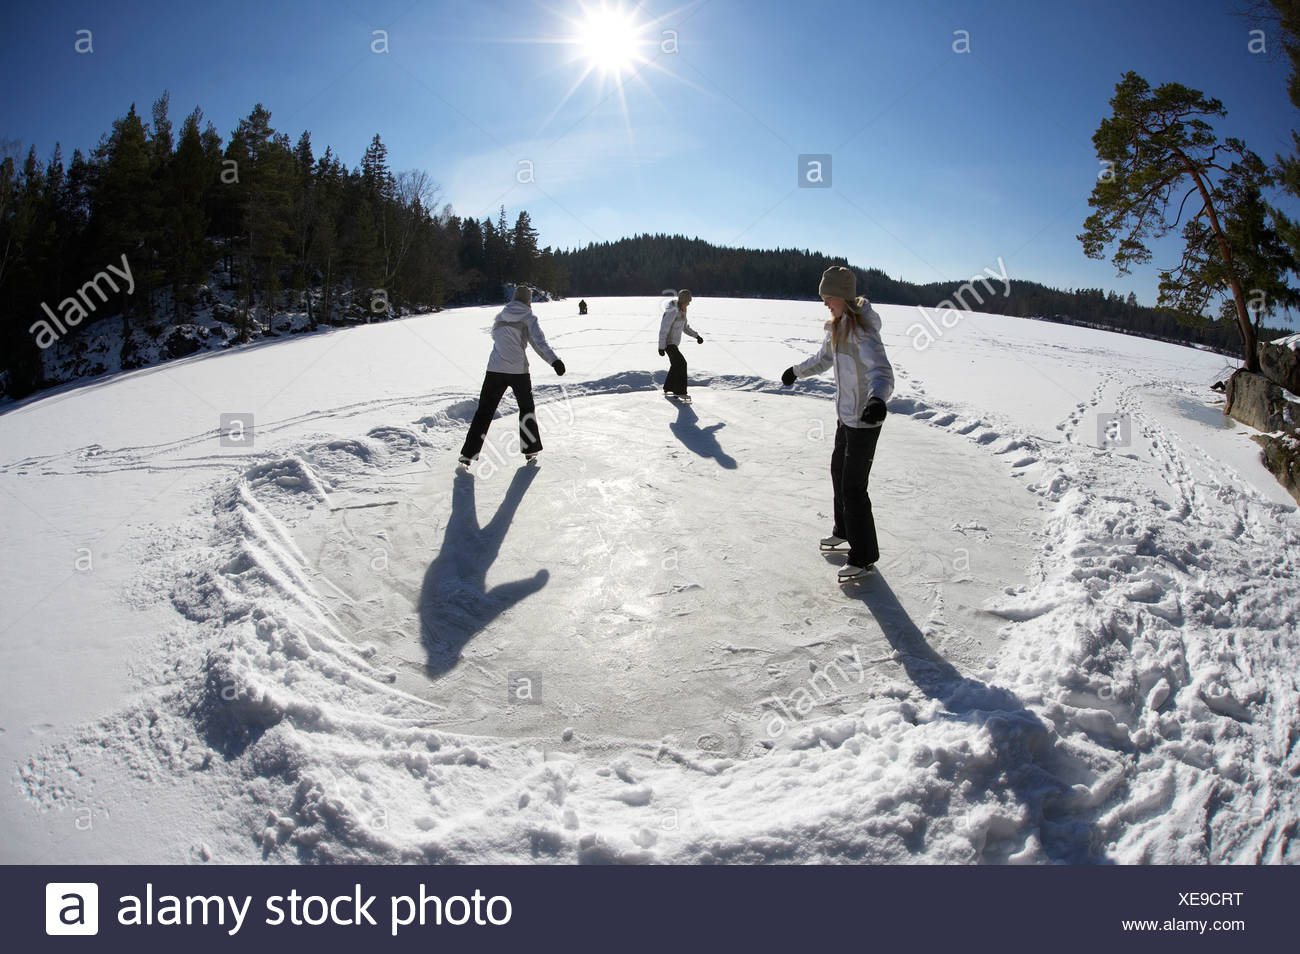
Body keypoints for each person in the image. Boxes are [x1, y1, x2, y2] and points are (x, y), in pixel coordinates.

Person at [780, 266, 894, 581]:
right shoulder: (837, 328)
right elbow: (822, 359)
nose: (825, 303)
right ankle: (843, 531)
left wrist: (877, 400)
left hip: (865, 419)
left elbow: (882, 373)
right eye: (824, 297)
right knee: (838, 473)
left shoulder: (863, 331)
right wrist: (796, 371)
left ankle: (864, 556)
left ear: (843, 297)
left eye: (829, 297)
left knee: (854, 487)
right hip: (845, 417)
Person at [459, 286, 566, 466]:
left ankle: (468, 454)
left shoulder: (500, 316)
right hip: (518, 372)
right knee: (526, 409)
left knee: (484, 412)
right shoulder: (528, 318)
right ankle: (530, 448)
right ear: (528, 301)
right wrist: (555, 361)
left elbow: (495, 336)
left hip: (494, 370)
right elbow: (539, 343)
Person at [658, 289, 704, 401]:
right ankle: (680, 391)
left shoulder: (682, 310)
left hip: (674, 344)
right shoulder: (672, 311)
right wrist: (661, 347)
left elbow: (685, 327)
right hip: (669, 344)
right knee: (682, 364)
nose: (689, 303)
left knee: (676, 365)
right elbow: (664, 328)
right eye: (688, 301)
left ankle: (668, 387)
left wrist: (696, 336)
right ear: (683, 300)